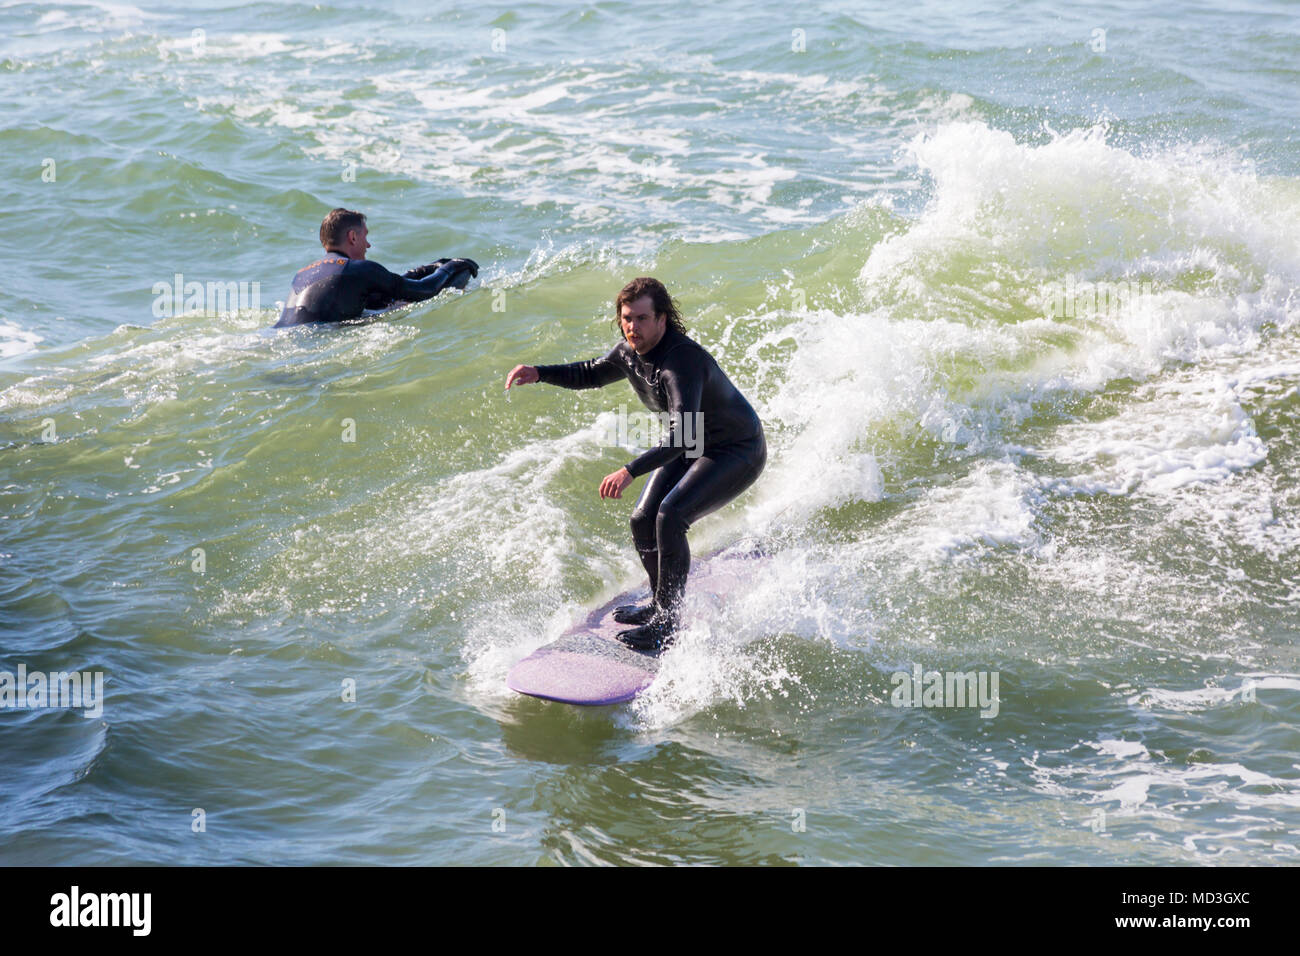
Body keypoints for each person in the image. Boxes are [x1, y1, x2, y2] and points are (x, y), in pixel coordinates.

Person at [505, 277, 766, 651]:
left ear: (662, 319)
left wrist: (629, 470)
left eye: (642, 319)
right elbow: (591, 373)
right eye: (627, 318)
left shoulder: (681, 363)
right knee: (643, 519)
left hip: (737, 448)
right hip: (695, 443)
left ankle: (667, 623)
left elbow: (680, 437)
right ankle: (660, 605)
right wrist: (540, 373)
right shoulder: (629, 353)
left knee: (671, 516)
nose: (633, 327)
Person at [275, 208, 478, 328]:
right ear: (353, 237)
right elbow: (424, 291)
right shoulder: (359, 270)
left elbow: (379, 292)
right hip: (311, 348)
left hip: (277, 339)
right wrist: (453, 266)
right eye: (366, 236)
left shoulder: (302, 273)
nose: (368, 245)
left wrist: (425, 269)